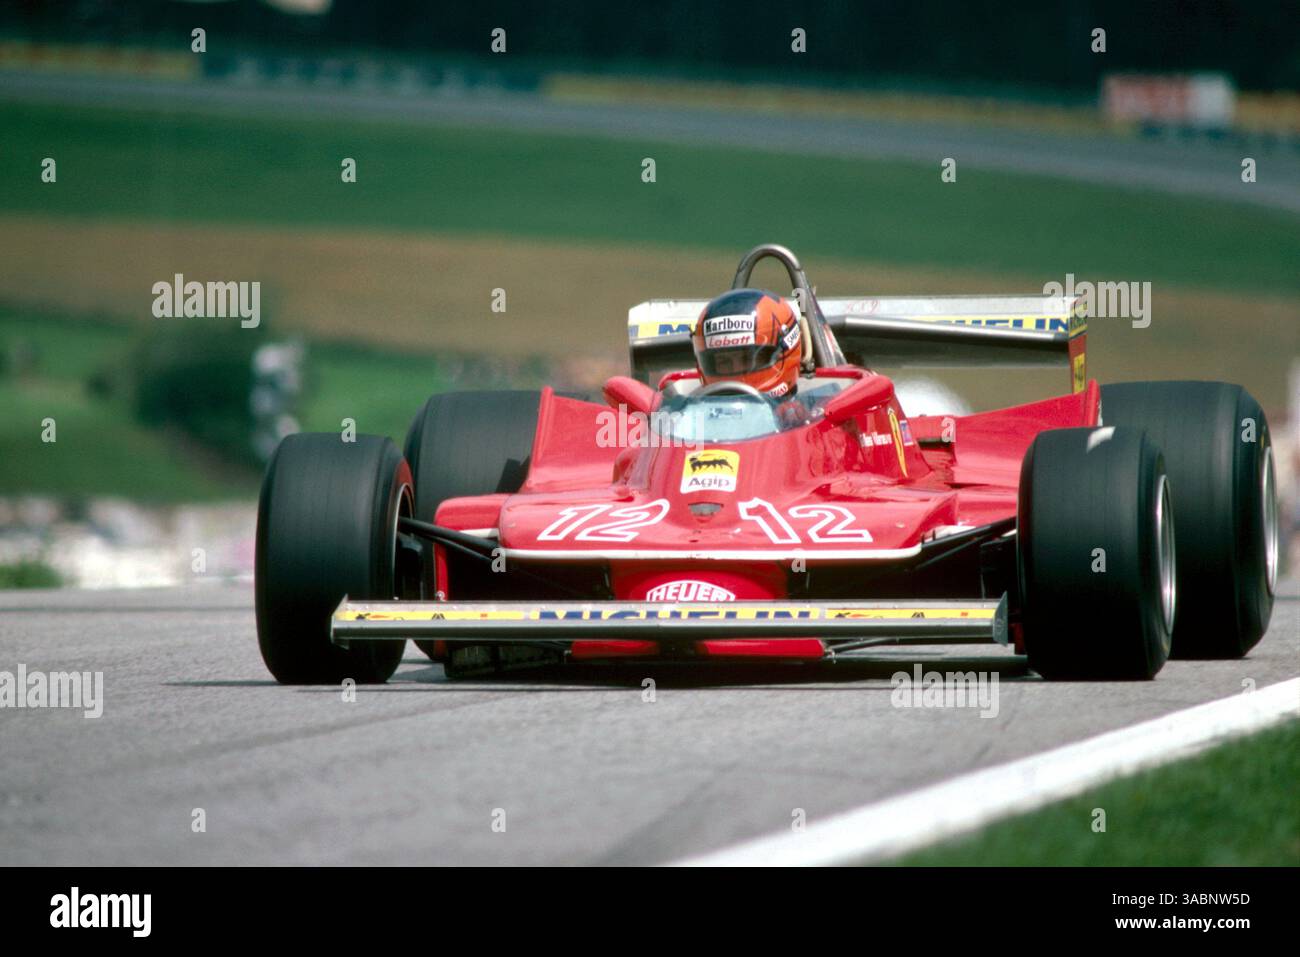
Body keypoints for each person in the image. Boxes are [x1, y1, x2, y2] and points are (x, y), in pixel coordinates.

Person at [690, 288, 803, 401]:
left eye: (747, 359)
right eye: (724, 362)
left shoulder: (809, 412)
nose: (737, 379)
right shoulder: (693, 412)